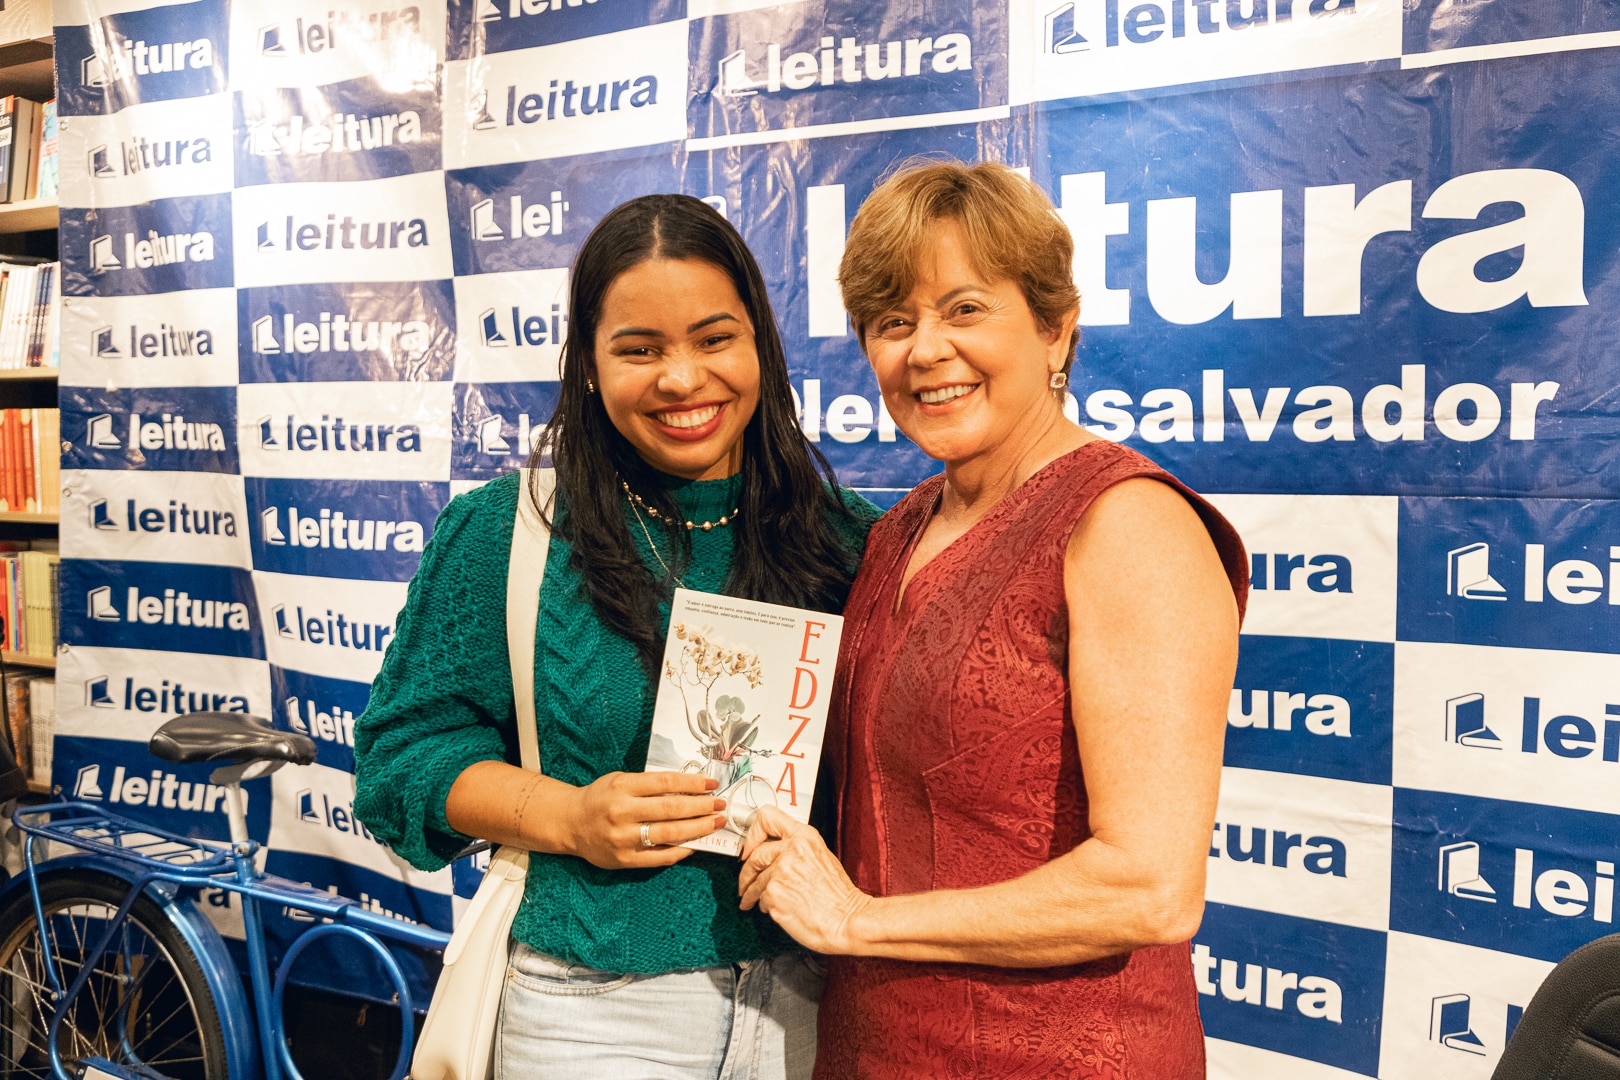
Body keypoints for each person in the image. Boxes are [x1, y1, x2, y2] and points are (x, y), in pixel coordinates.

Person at [736, 160, 1249, 1078]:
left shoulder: (1128, 522)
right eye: (893, 323)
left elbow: (1149, 889)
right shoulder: (895, 530)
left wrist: (855, 919)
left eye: (964, 309)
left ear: (1056, 328)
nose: (924, 350)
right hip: (873, 1043)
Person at [354, 193, 880, 1080]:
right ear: (590, 367)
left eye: (714, 339)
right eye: (640, 349)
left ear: (762, 346)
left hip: (815, 1007)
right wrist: (568, 816)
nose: (682, 379)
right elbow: (399, 762)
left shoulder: (851, 540)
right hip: (592, 1014)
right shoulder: (509, 534)